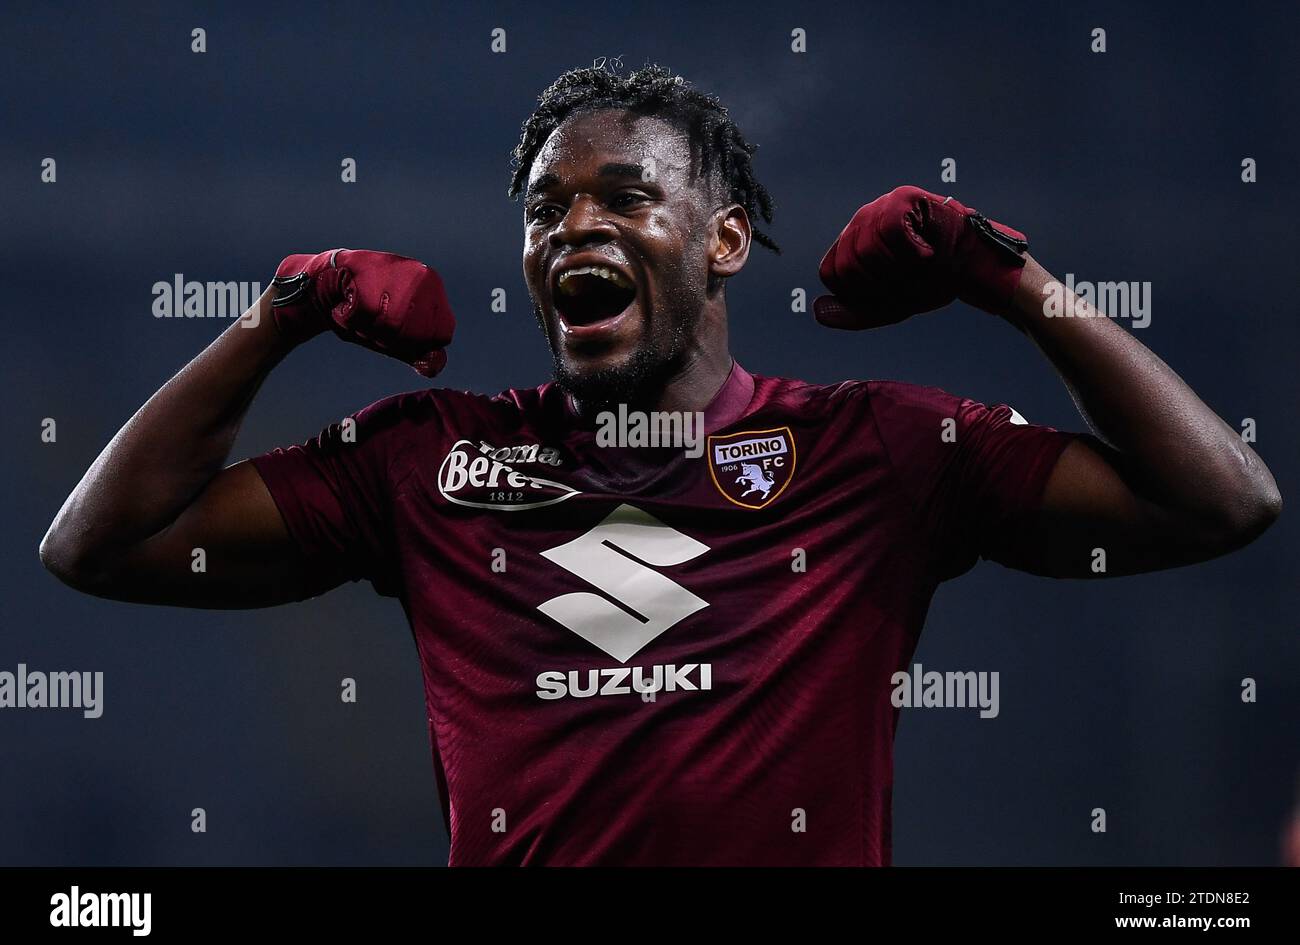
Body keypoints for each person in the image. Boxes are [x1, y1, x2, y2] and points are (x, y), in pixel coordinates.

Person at [39, 63, 1281, 865]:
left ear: (724, 239)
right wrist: (282, 313)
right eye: (544, 210)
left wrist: (1001, 273)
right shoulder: (431, 461)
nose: (574, 225)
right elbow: (99, 543)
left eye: (626, 198)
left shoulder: (875, 448)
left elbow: (1220, 499)